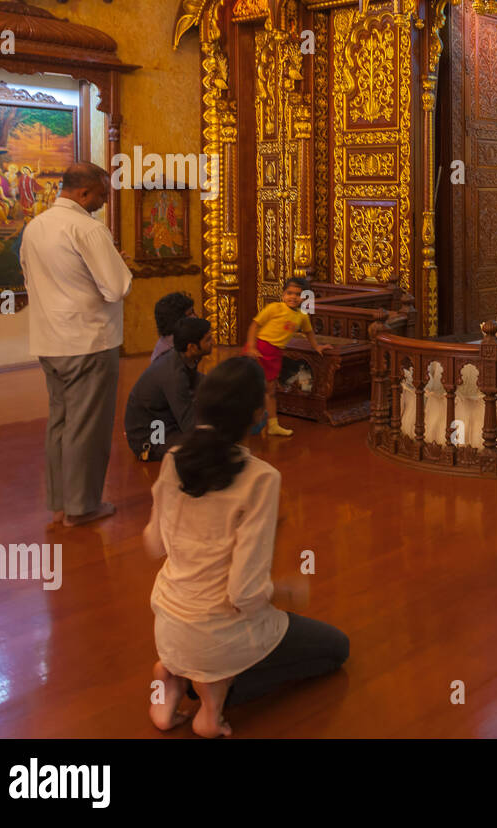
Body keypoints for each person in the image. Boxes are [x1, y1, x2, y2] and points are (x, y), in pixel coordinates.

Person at [142, 357, 350, 737]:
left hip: (167, 626)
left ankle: (175, 674)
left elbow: (154, 543)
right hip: (218, 635)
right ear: (256, 415)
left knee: (200, 648)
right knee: (337, 649)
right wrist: (285, 590)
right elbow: (244, 594)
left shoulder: (173, 460)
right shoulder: (261, 479)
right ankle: (209, 693)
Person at [20, 162, 132, 528]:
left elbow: (34, 280)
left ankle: (60, 502)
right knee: (88, 427)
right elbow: (116, 288)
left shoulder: (34, 227)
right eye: (101, 194)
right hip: (89, 342)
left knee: (61, 422)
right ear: (83, 193)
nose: (104, 201)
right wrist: (119, 267)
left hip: (50, 340)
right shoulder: (88, 228)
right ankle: (82, 507)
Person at [242, 276, 333, 437]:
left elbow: (309, 332)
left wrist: (317, 346)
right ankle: (242, 421)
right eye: (289, 293)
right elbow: (254, 325)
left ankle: (273, 425)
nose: (293, 297)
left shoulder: (302, 316)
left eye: (298, 294)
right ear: (283, 294)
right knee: (248, 387)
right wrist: (251, 347)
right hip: (259, 349)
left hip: (275, 354)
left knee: (270, 390)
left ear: (304, 297)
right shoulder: (274, 308)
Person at [125, 316, 213, 462]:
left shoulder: (183, 356)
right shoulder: (174, 376)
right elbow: (189, 424)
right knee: (209, 444)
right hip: (151, 436)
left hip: (166, 422)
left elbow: (198, 380)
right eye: (208, 340)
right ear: (192, 347)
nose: (212, 342)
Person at [152, 291, 196, 362]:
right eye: (190, 314)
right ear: (176, 321)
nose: (195, 317)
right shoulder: (167, 357)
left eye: (193, 312)